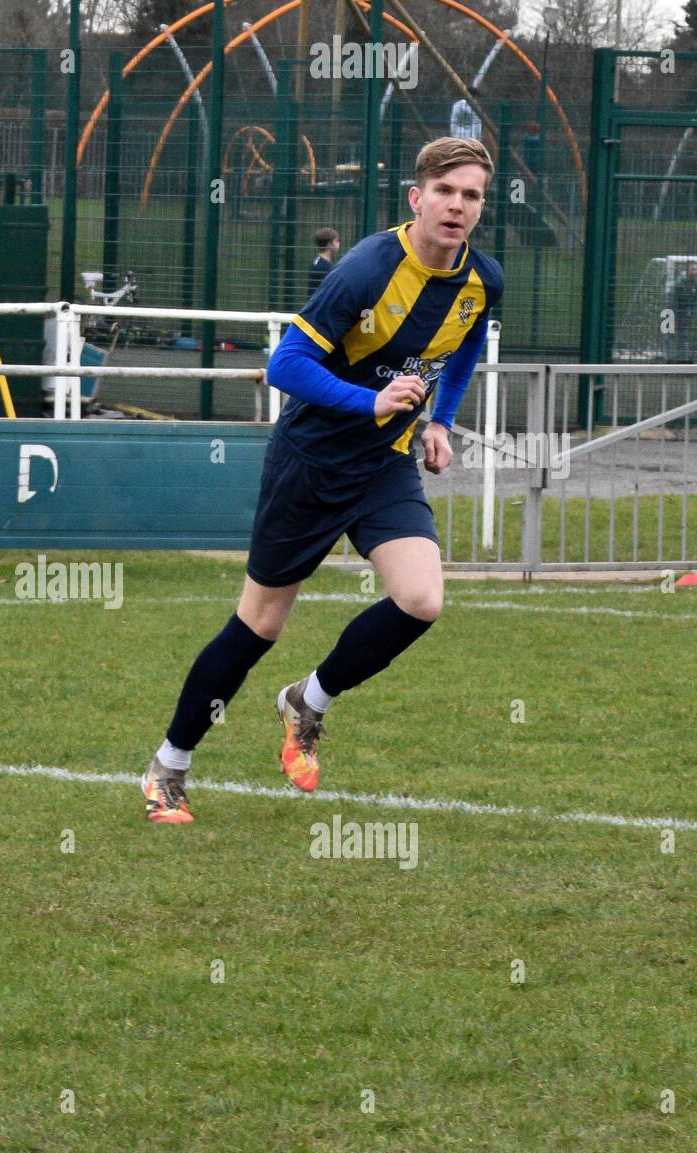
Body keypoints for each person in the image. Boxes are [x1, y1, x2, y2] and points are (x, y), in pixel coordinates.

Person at [142, 137, 503, 823]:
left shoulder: (483, 279)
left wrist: (440, 422)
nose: (457, 205)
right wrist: (368, 401)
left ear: (482, 206)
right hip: (310, 462)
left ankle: (308, 700)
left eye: (472, 194)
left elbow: (460, 352)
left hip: (384, 465)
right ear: (416, 197)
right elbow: (286, 364)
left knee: (422, 599)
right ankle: (169, 764)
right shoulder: (367, 269)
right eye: (446, 191)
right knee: (260, 624)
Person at [666, 261, 697, 362]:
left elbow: (695, 303)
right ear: (687, 270)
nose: (696, 272)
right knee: (669, 333)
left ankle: (683, 359)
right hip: (670, 308)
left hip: (684, 310)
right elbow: (672, 300)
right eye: (694, 269)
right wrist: (672, 318)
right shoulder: (679, 281)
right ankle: (669, 359)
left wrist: (690, 317)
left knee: (684, 334)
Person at [308, 227, 340, 295]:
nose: (338, 243)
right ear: (329, 244)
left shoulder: (316, 262)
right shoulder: (325, 267)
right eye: (336, 241)